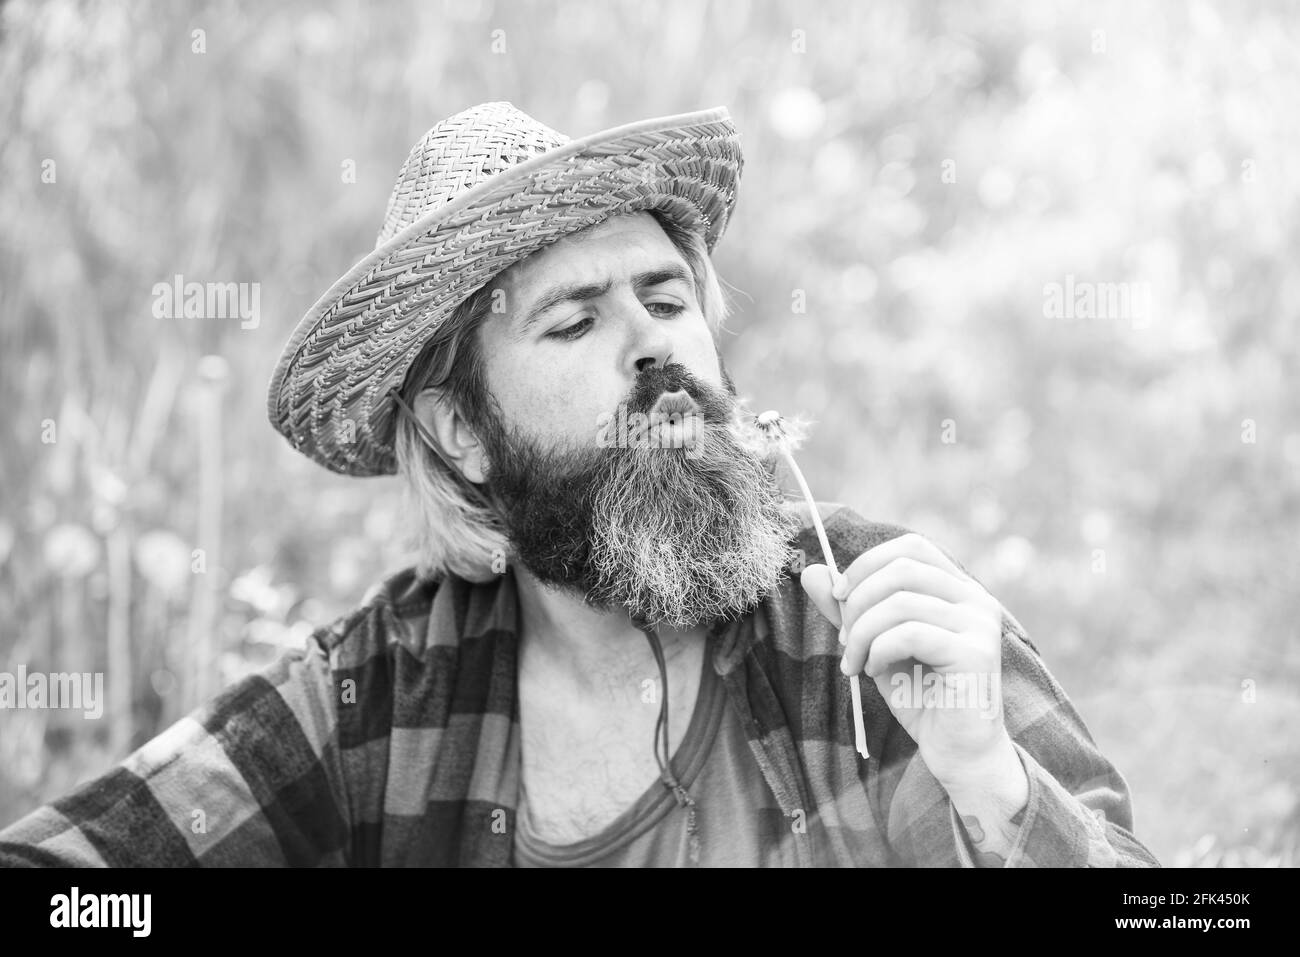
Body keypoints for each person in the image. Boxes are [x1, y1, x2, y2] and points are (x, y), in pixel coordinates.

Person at [0, 102, 1158, 867]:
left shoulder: (874, 626)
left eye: (665, 299)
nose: (654, 346)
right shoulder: (374, 702)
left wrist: (996, 790)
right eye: (574, 321)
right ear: (458, 430)